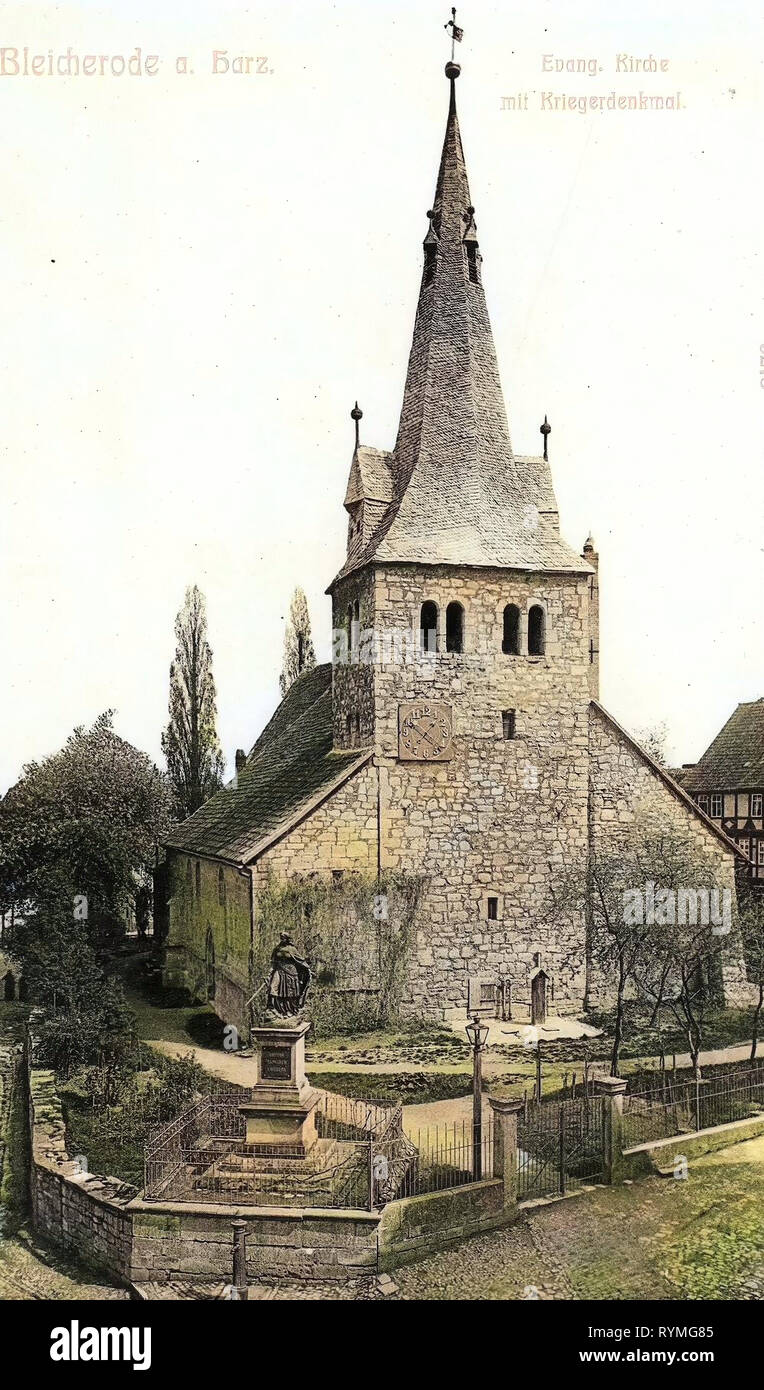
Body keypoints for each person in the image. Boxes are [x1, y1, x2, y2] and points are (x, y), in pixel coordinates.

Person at [266, 934, 311, 1017]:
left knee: (289, 992)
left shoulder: (292, 949)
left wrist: (307, 969)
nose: (282, 940)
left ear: (287, 939)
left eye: (283, 938)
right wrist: (270, 972)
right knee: (273, 987)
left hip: (291, 972)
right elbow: (273, 961)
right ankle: (274, 1009)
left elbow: (300, 960)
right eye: (281, 938)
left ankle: (289, 1010)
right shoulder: (277, 949)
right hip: (279, 970)